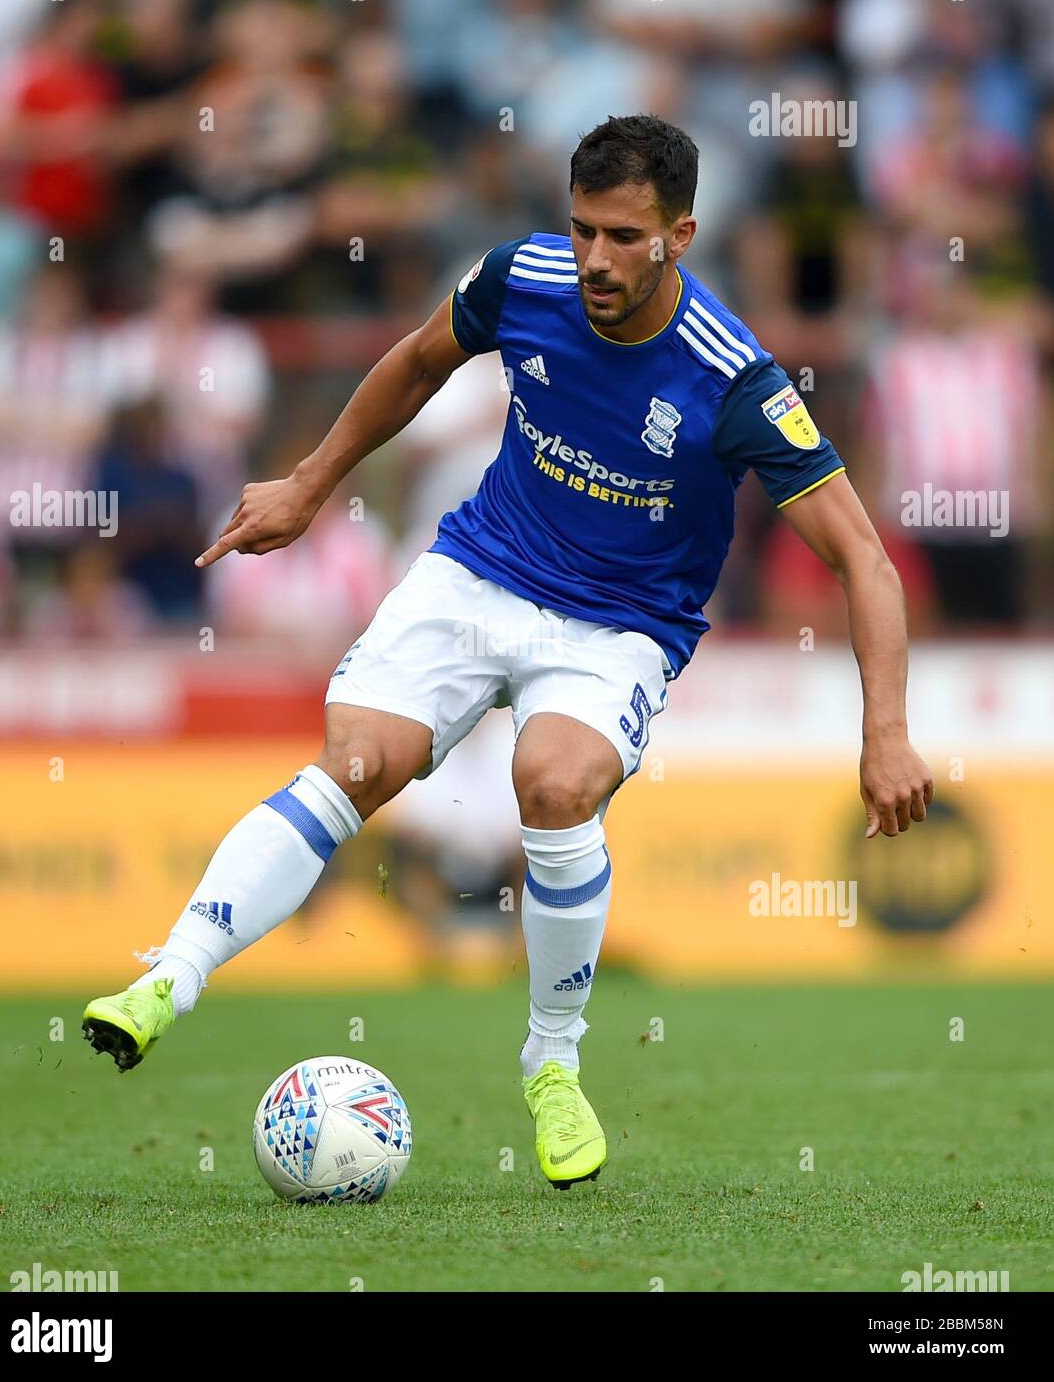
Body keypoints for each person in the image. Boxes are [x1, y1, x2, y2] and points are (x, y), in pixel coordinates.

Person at [82, 115, 934, 1192]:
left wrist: (888, 733)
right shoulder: (519, 280)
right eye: (580, 230)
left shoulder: (733, 380)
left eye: (624, 238)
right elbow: (416, 359)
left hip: (619, 623)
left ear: (681, 235)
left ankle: (552, 1060)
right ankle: (168, 979)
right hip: (481, 571)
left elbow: (864, 557)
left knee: (555, 782)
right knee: (357, 763)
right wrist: (310, 481)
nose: (593, 261)